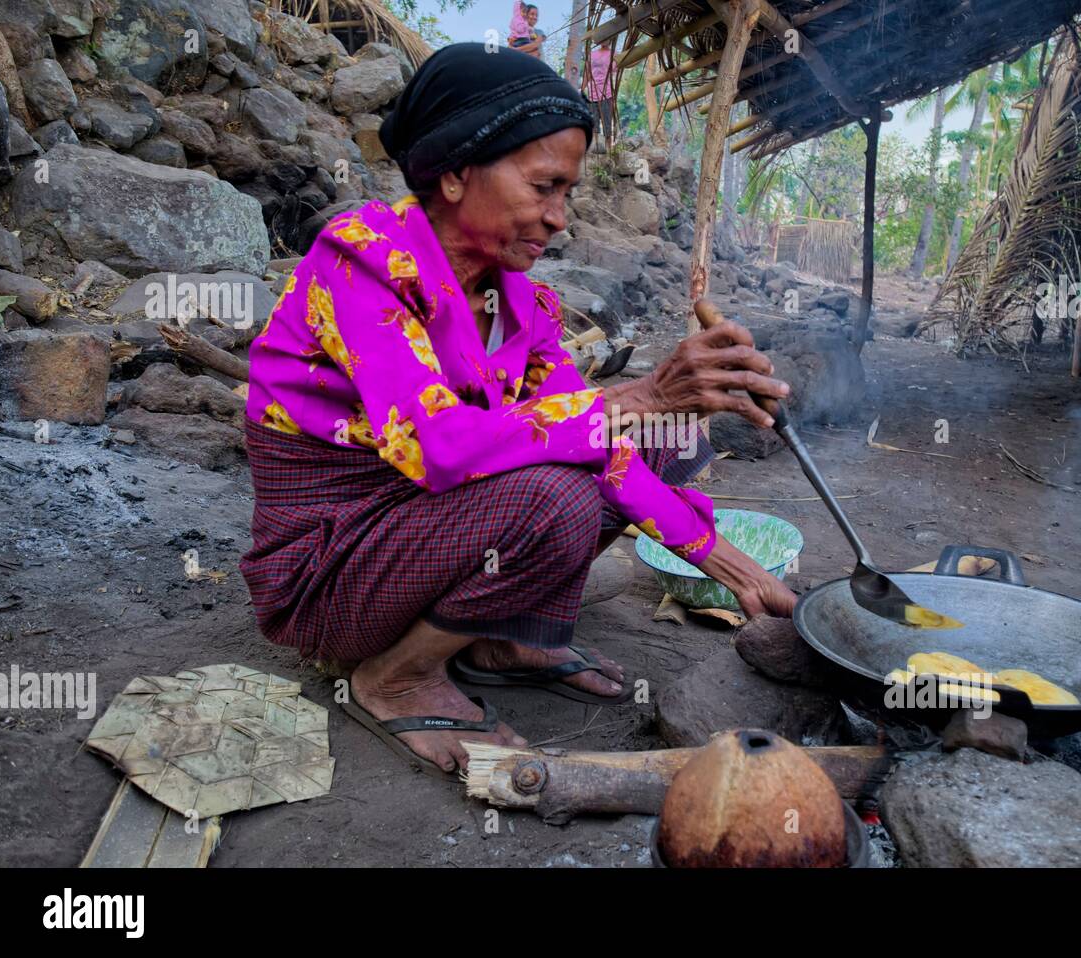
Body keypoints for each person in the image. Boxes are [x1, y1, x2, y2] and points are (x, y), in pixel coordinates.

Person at [240, 44, 795, 776]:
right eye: (544, 187)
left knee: (654, 438)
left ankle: (511, 637)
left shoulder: (521, 303)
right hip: (328, 574)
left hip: (413, 536)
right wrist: (642, 393)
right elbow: (438, 448)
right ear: (455, 170)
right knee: (559, 492)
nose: (559, 217)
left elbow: (598, 438)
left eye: (566, 193)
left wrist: (732, 567)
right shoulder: (362, 263)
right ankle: (394, 676)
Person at [584, 39, 615, 152]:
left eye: (608, 38)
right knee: (593, 124)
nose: (605, 40)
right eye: (602, 38)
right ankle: (595, 148)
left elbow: (618, 68)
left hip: (607, 93)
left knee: (607, 123)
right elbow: (587, 74)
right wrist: (582, 89)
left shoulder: (614, 54)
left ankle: (608, 150)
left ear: (611, 40)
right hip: (592, 93)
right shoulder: (591, 54)